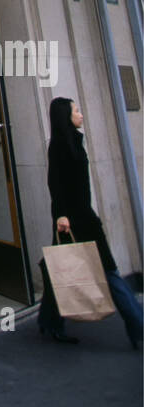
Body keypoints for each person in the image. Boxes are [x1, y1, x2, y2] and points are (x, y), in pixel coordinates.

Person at [38, 96, 142, 350]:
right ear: (66, 116)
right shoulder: (60, 145)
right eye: (76, 110)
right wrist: (61, 215)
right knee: (109, 273)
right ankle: (137, 324)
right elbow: (55, 183)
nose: (81, 114)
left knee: (58, 273)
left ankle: (48, 321)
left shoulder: (74, 141)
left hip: (83, 216)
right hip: (71, 221)